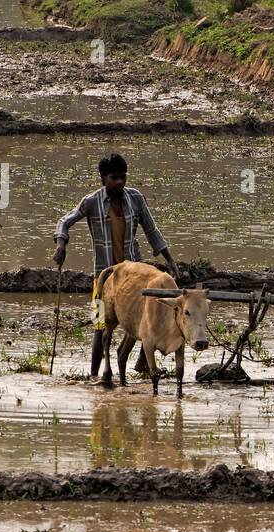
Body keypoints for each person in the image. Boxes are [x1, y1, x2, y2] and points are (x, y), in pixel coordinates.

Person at [53, 153, 180, 378]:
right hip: (104, 276)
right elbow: (65, 221)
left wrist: (169, 260)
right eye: (114, 178)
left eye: (123, 177)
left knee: (147, 318)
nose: (120, 182)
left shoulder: (136, 198)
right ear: (103, 179)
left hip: (134, 276)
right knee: (99, 325)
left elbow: (152, 230)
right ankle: (94, 373)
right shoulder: (91, 202)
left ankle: (142, 361)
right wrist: (61, 246)